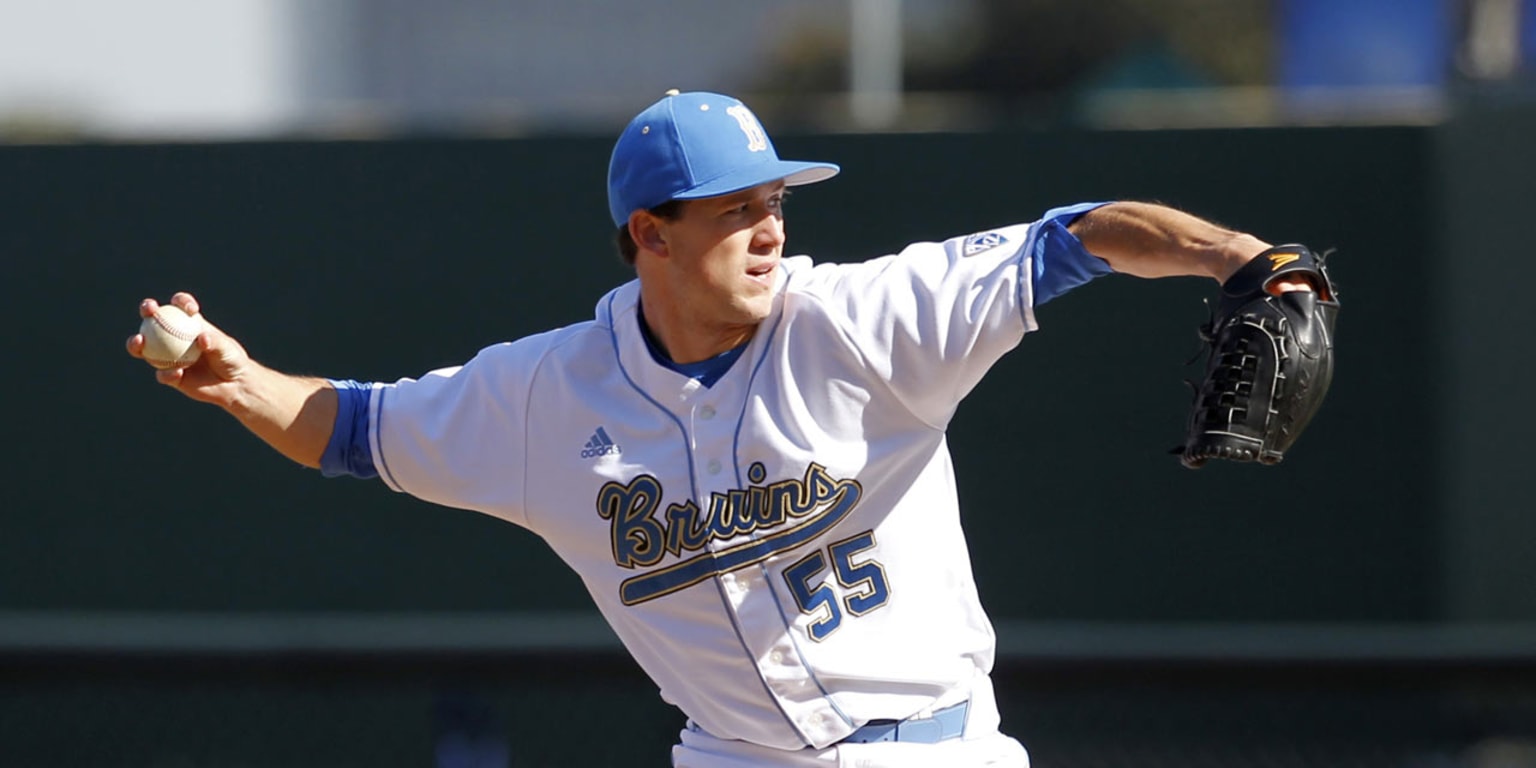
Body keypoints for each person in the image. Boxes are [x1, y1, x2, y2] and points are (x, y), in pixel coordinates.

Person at [129, 90, 1313, 768]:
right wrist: (239, 382)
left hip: (933, 750)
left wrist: (1250, 261)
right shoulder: (547, 396)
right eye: (737, 209)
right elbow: (354, 429)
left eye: (776, 202)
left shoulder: (860, 321)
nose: (771, 229)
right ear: (649, 234)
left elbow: (1079, 235)